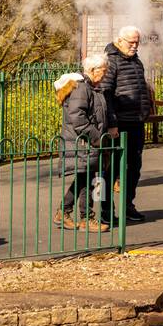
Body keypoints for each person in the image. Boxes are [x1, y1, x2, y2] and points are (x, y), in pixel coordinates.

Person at [56, 54, 115, 231]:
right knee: (86, 179)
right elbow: (78, 117)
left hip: (88, 142)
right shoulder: (82, 89)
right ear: (92, 70)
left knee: (85, 179)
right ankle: (86, 219)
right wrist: (96, 137)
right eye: (103, 71)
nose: (105, 74)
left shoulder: (93, 88)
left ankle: (63, 213)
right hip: (83, 143)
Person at [102, 26, 152, 223]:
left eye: (137, 42)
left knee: (134, 166)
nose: (134, 45)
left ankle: (128, 205)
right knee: (110, 169)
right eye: (131, 42)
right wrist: (111, 122)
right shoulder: (111, 61)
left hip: (136, 121)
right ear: (119, 41)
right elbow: (106, 95)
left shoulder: (136, 61)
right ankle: (106, 211)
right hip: (118, 123)